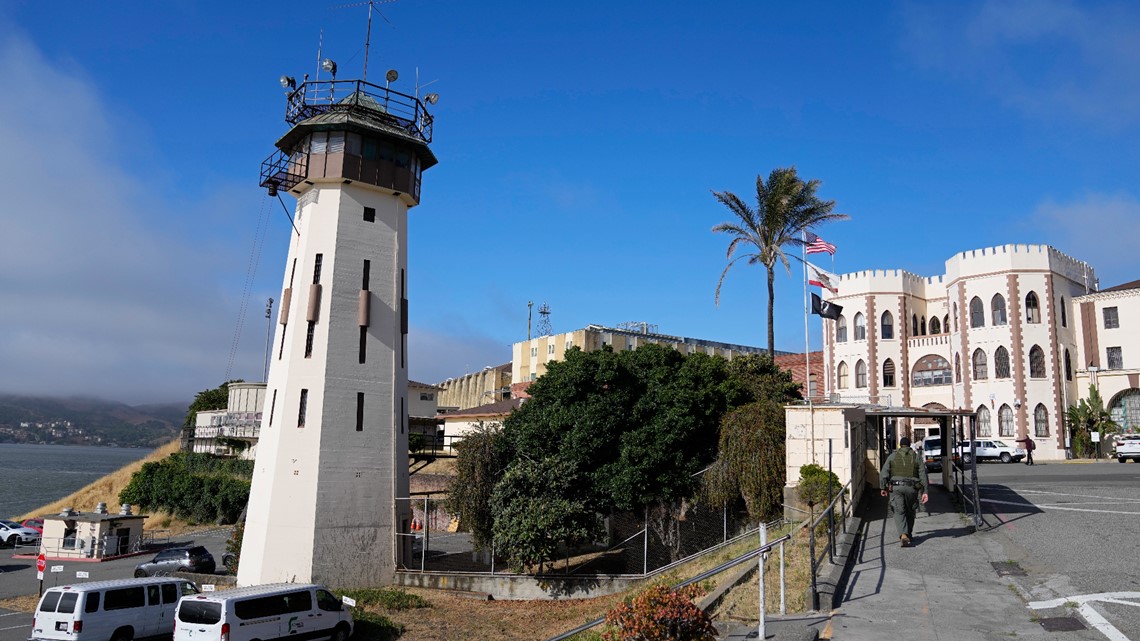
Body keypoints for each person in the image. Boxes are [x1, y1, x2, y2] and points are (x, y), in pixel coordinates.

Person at [880, 436, 929, 547]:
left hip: (896, 488)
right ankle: (909, 533)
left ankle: (903, 534)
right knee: (910, 510)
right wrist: (925, 491)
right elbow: (922, 475)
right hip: (912, 488)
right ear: (909, 445)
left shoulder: (892, 456)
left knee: (898, 510)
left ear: (900, 446)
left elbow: (884, 473)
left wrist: (883, 487)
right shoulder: (916, 457)